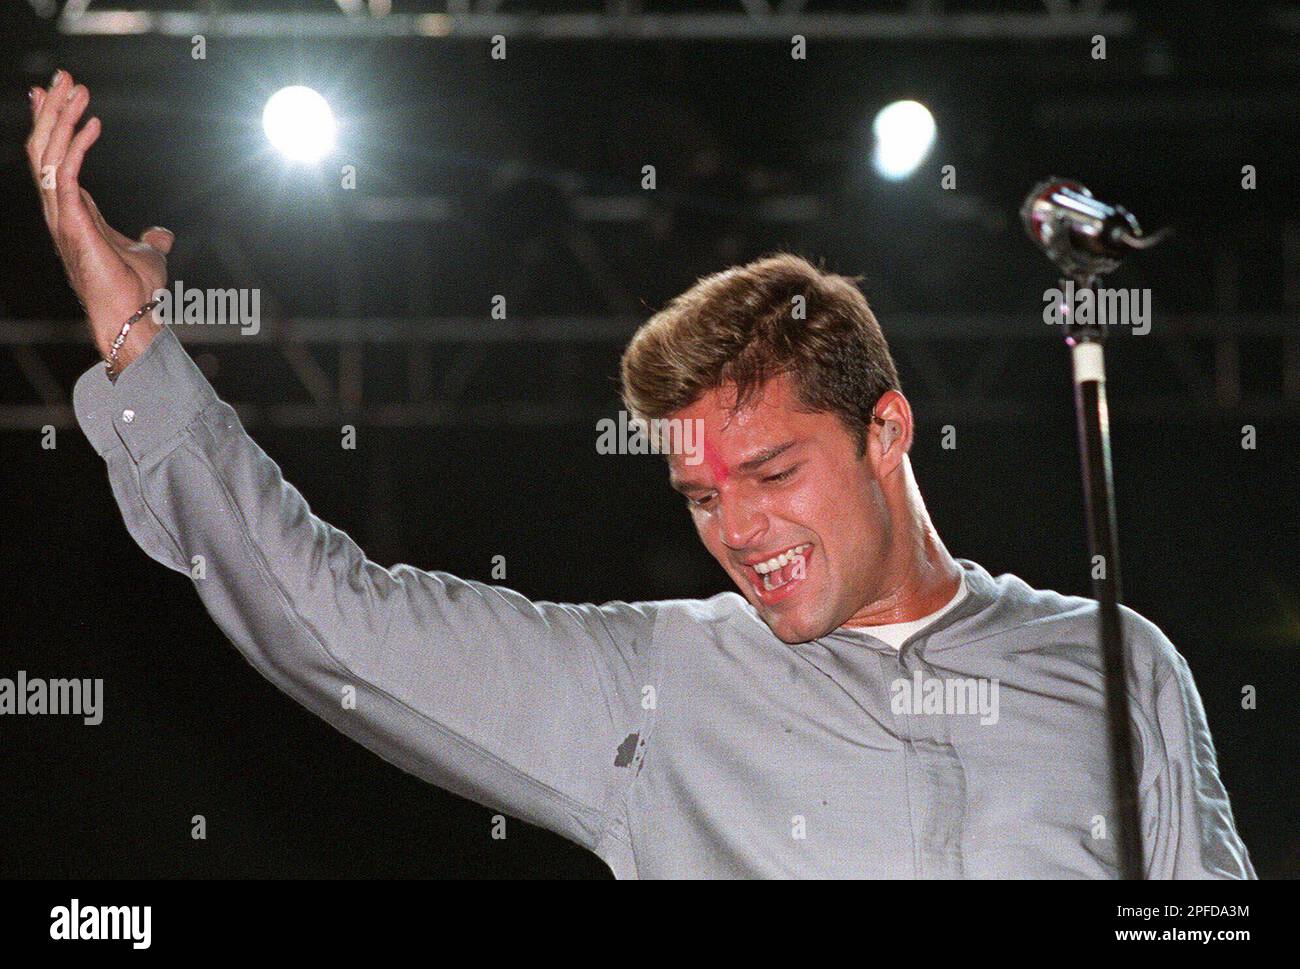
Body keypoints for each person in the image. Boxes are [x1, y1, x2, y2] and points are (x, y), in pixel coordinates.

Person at [27, 70, 1255, 878]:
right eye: (703, 496)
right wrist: (145, 352)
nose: (737, 527)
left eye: (770, 470)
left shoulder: (1116, 667)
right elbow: (329, 624)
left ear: (886, 430)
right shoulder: (655, 683)